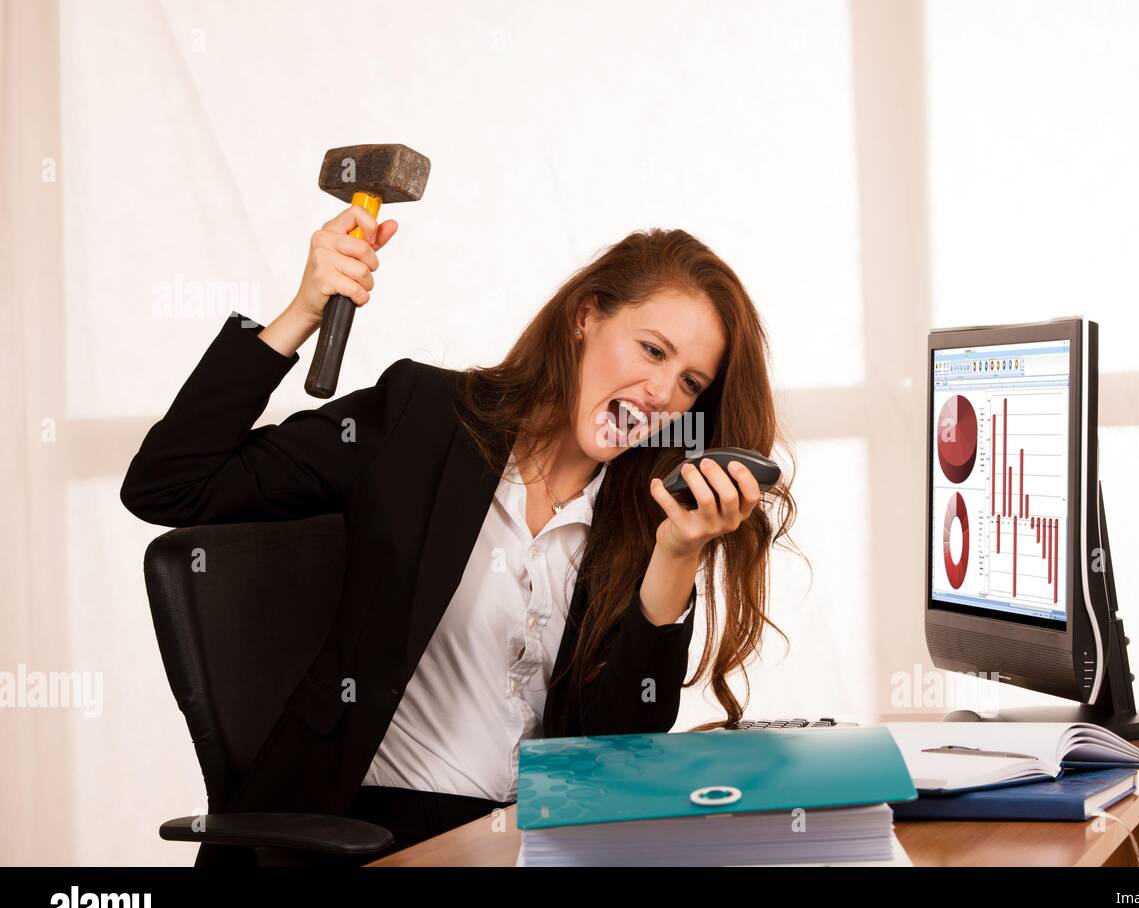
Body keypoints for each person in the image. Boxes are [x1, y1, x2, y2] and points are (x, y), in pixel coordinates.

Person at [121, 205, 797, 865]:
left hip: (534, 837)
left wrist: (676, 558)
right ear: (586, 317)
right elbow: (169, 484)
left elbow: (616, 750)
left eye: (689, 383)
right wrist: (303, 310)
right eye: (651, 350)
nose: (659, 392)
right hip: (372, 828)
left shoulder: (643, 515)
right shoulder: (424, 418)